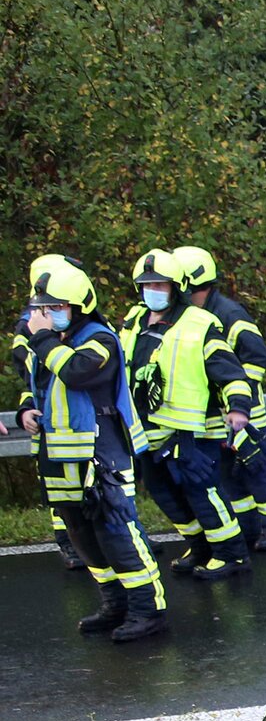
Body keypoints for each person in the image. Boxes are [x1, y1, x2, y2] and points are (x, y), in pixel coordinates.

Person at [14, 258, 168, 641]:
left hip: (102, 456)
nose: (49, 315)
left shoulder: (100, 339)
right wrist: (26, 410)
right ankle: (114, 603)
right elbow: (41, 383)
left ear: (79, 305)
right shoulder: (56, 342)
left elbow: (77, 373)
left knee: (116, 531)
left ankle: (147, 609)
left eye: (57, 308)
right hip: (61, 456)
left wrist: (43, 338)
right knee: (82, 534)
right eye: (45, 308)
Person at [121, 248, 256, 578]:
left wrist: (239, 408)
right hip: (146, 429)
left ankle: (231, 554)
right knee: (163, 493)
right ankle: (200, 545)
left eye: (160, 285)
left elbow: (232, 372)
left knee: (202, 489)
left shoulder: (200, 324)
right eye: (147, 284)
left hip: (191, 431)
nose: (152, 291)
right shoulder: (134, 320)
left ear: (176, 287)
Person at [177, 245, 266, 550]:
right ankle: (250, 528)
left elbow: (256, 355)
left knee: (258, 468)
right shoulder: (191, 317)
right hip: (215, 415)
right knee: (229, 474)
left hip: (245, 413)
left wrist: (239, 399)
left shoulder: (228, 314)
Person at [12, 288, 86, 568]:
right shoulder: (30, 329)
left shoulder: (85, 332)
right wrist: (24, 411)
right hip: (50, 430)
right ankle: (69, 545)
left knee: (94, 496)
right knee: (59, 495)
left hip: (81, 432)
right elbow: (31, 379)